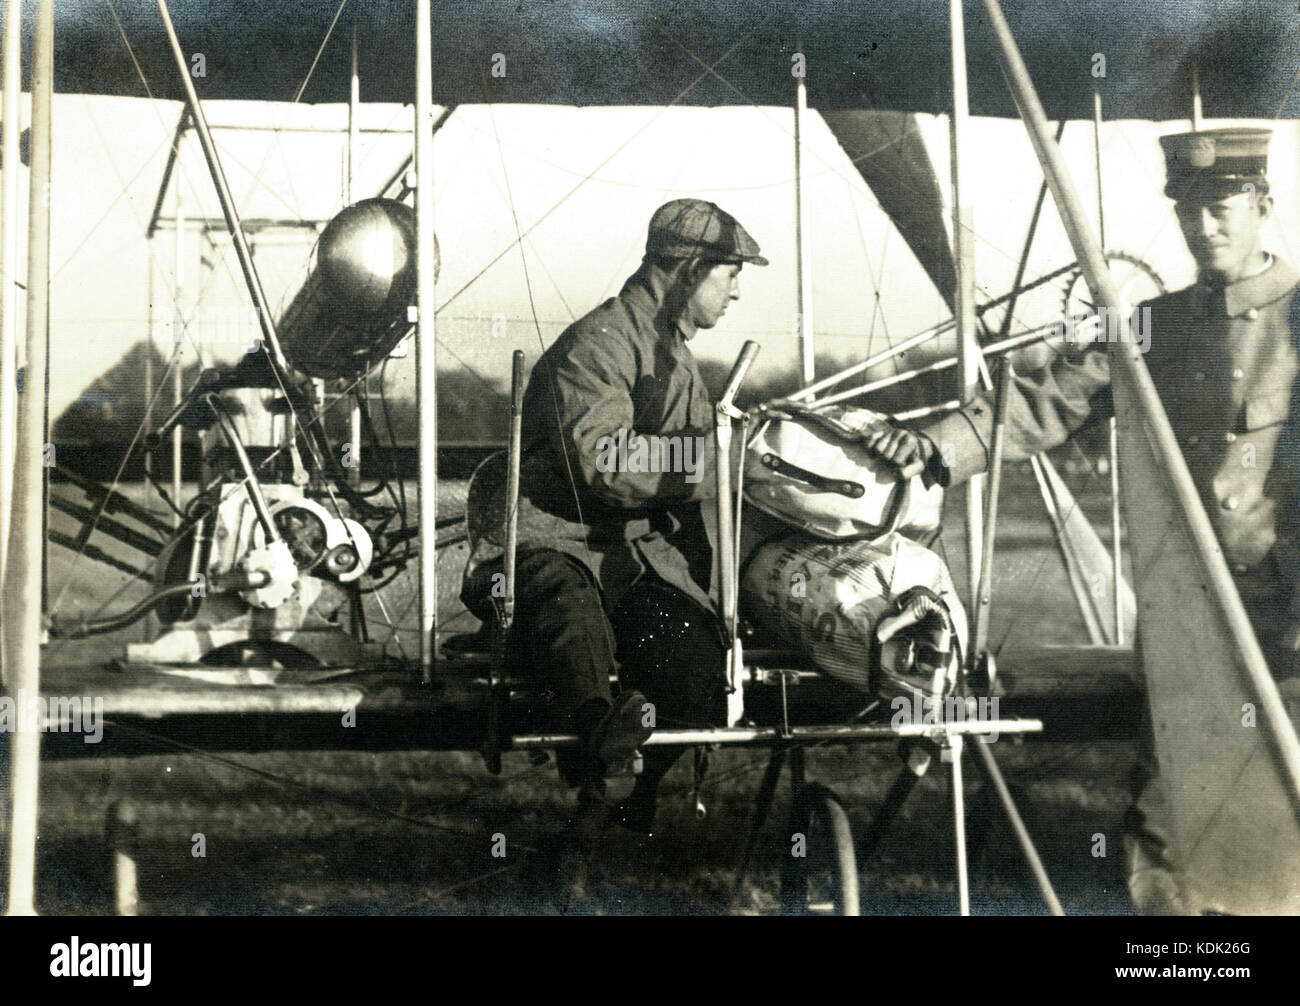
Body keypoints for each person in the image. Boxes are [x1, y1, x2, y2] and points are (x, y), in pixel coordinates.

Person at [860, 127, 1300, 914]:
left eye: (1223, 206)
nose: (1204, 227)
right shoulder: (1157, 325)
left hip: (1289, 619)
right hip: (1194, 625)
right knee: (1166, 823)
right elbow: (1049, 397)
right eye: (1189, 208)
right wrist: (930, 443)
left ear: (1264, 205)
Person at [461, 198, 768, 865]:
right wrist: (707, 461)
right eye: (729, 274)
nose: (737, 291)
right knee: (573, 628)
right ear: (684, 272)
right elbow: (606, 462)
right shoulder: (598, 344)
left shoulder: (675, 358)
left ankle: (626, 792)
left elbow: (685, 501)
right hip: (547, 539)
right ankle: (604, 752)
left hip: (630, 553)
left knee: (695, 667)